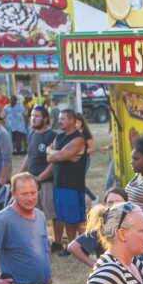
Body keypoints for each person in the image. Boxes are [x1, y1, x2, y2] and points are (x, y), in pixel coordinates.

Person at [46, 108, 94, 252]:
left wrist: (58, 154)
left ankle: (79, 247)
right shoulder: (59, 137)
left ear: (72, 120)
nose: (59, 121)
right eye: (59, 118)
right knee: (64, 217)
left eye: (63, 119)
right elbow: (50, 156)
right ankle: (73, 247)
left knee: (75, 219)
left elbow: (58, 156)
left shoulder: (78, 139)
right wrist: (57, 154)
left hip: (72, 185)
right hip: (59, 184)